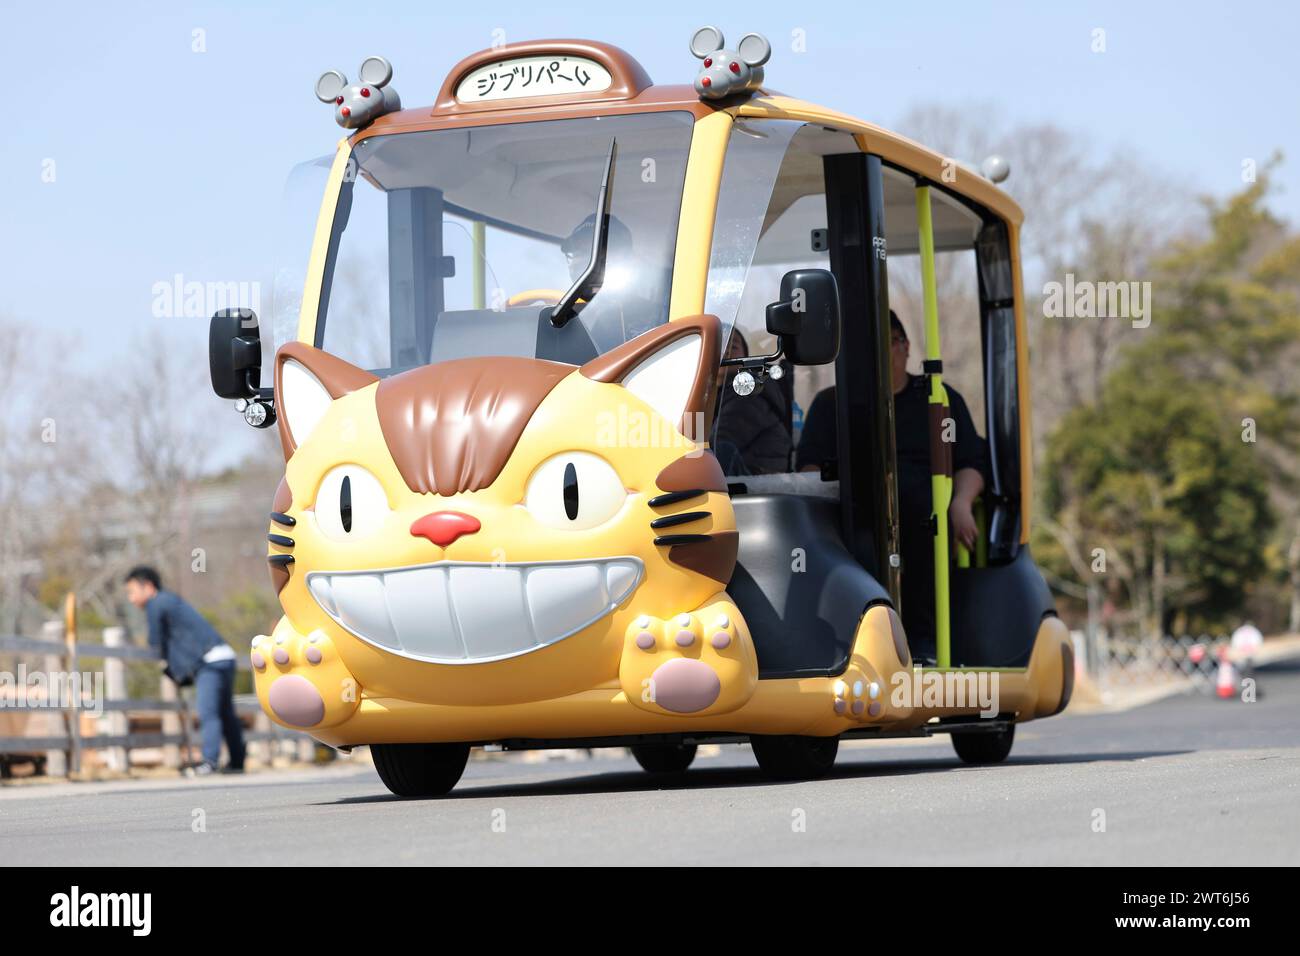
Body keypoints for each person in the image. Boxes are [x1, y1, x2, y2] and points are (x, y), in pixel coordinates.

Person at [796, 311, 989, 661]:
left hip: (925, 516)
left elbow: (970, 462)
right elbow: (810, 471)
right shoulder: (830, 405)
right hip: (853, 513)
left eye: (890, 342)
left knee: (921, 506)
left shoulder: (938, 401)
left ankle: (925, 647)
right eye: (870, 346)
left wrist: (960, 503)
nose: (882, 354)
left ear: (906, 347)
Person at [124, 567, 245, 775]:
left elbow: (155, 641)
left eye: (132, 592)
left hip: (209, 661)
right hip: (224, 655)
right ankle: (237, 762)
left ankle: (210, 762)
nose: (131, 599)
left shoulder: (157, 603)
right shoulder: (170, 601)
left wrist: (167, 665)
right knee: (225, 714)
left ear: (148, 587)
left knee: (208, 713)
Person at [713, 329, 793, 475]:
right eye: (719, 344)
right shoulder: (709, 394)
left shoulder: (749, 389)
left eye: (734, 346)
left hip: (755, 481)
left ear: (745, 356)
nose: (726, 351)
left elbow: (720, 440)